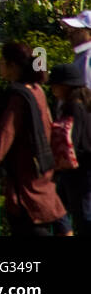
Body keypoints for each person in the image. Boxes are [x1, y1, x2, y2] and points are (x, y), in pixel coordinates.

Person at [0, 42, 70, 236]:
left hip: (24, 170)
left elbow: (8, 130)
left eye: (2, 62)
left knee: (29, 223)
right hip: (42, 164)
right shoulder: (37, 90)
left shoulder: (19, 95)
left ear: (13, 66)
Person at [49, 63, 91, 235]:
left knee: (82, 215)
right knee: (58, 206)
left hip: (78, 169)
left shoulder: (73, 107)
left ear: (64, 86)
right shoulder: (85, 104)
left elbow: (72, 140)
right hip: (83, 167)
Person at [60, 10, 91, 89]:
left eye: (77, 30)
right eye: (71, 29)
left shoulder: (88, 56)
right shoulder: (82, 54)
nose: (70, 34)